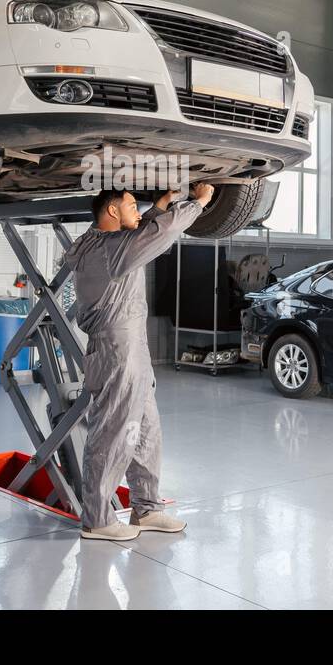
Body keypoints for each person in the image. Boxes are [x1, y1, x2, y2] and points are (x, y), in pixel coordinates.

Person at [63, 182, 214, 541]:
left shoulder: (101, 244)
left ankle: (146, 509)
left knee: (145, 431)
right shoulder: (110, 251)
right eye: (132, 206)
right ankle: (97, 520)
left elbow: (144, 228)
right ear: (112, 212)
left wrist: (158, 206)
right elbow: (160, 233)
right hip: (117, 351)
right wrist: (199, 203)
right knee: (113, 431)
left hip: (132, 350)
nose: (138, 211)